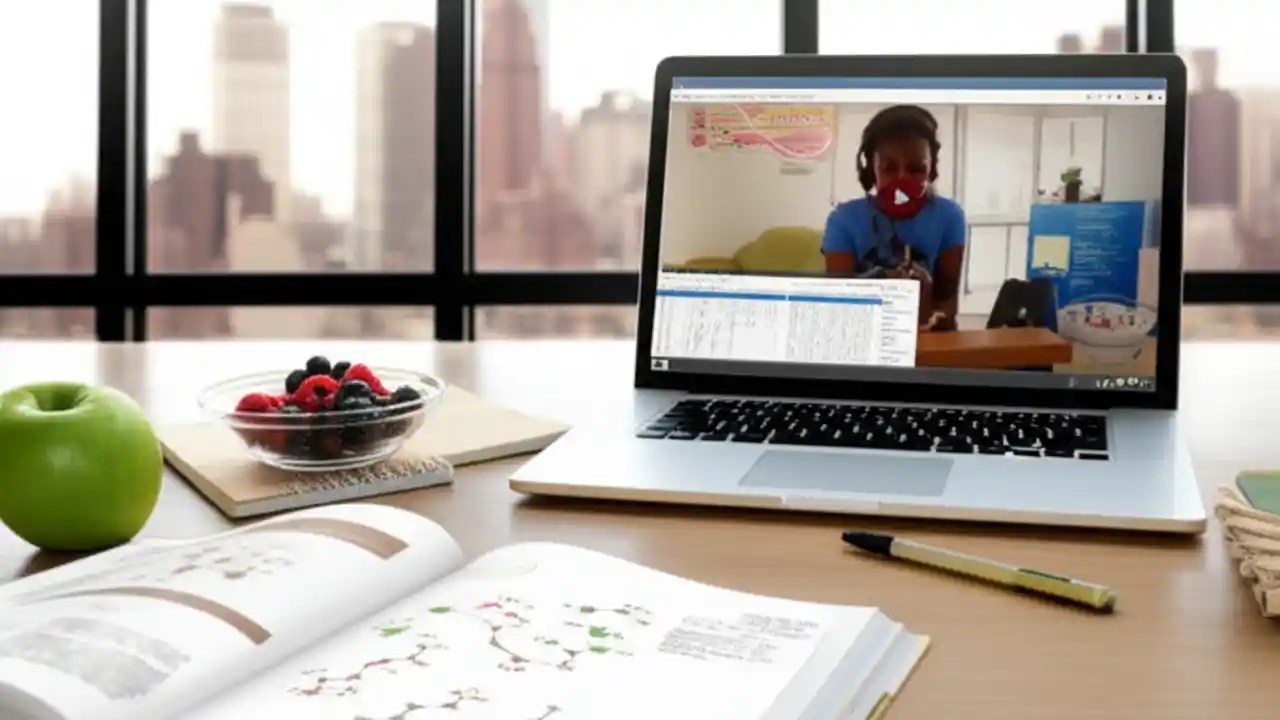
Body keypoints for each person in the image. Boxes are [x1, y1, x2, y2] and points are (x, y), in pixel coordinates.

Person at [822, 105, 966, 332]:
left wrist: (924, 301)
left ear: (932, 170)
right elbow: (839, 312)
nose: (902, 180)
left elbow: (947, 314)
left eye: (916, 169)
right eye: (888, 168)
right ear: (871, 170)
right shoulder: (843, 220)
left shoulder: (949, 217)